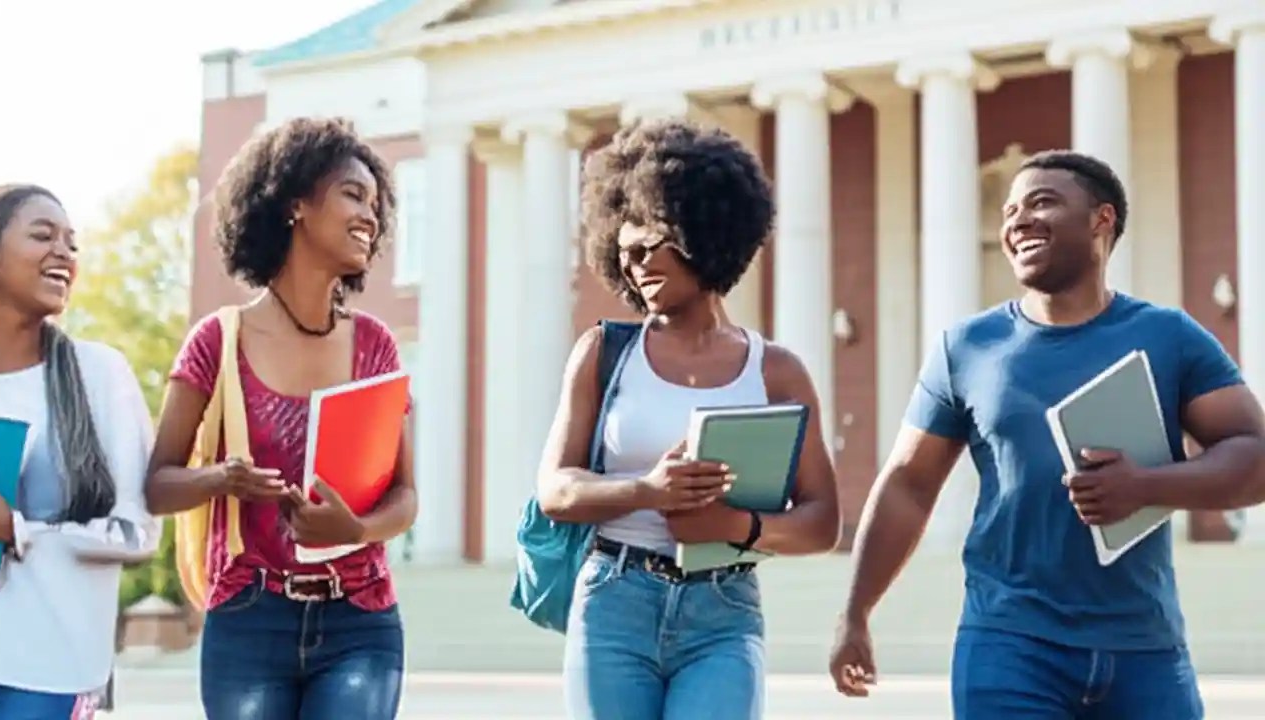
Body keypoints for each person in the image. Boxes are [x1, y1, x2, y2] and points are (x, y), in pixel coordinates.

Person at [828, 150, 1265, 718]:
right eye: (1010, 210)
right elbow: (909, 484)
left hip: (1145, 648)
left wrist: (1148, 486)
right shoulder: (965, 348)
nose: (1017, 222)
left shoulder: (1168, 336)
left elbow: (1255, 457)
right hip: (1009, 647)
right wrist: (856, 611)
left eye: (1042, 202)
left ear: (1101, 220)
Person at [542, 118, 841, 720]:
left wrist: (737, 526)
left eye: (650, 245)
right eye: (624, 254)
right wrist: (646, 490)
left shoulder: (776, 371)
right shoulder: (604, 353)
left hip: (723, 612)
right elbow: (554, 488)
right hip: (613, 601)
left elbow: (822, 521)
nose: (636, 266)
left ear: (702, 232)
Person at [145, 117, 417, 720]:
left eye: (376, 204)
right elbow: (157, 485)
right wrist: (223, 478)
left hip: (361, 620)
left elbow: (405, 496)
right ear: (295, 204)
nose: (370, 216)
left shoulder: (376, 346)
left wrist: (355, 531)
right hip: (248, 622)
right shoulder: (217, 341)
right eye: (352, 194)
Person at [0, 184, 159, 718]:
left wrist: (16, 528)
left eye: (72, 243)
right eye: (43, 235)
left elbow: (138, 530)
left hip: (47, 665)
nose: (64, 252)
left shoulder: (97, 375)